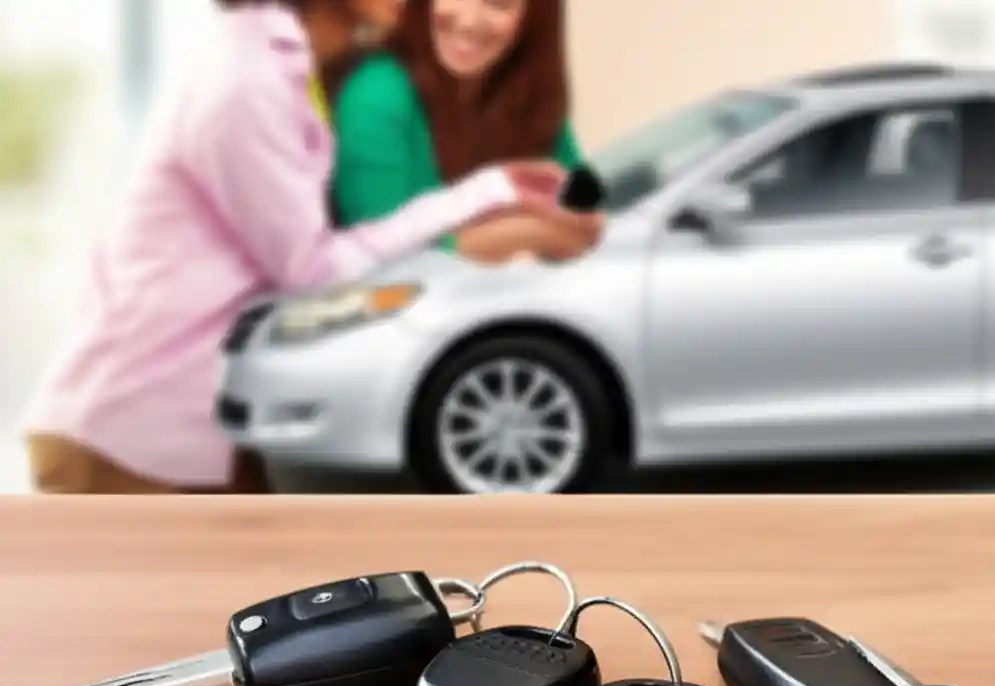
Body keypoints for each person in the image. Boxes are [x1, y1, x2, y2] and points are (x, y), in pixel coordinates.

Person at [22, 0, 570, 495]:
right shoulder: (245, 79)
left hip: (199, 434)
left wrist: (489, 191)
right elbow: (310, 271)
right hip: (129, 439)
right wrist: (481, 197)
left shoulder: (286, 67)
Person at [329, 0, 603, 263]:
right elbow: (384, 261)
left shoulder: (530, 96)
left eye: (498, 3)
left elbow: (587, 221)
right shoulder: (376, 95)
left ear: (534, 17)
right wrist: (536, 232)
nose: (469, 21)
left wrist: (499, 240)